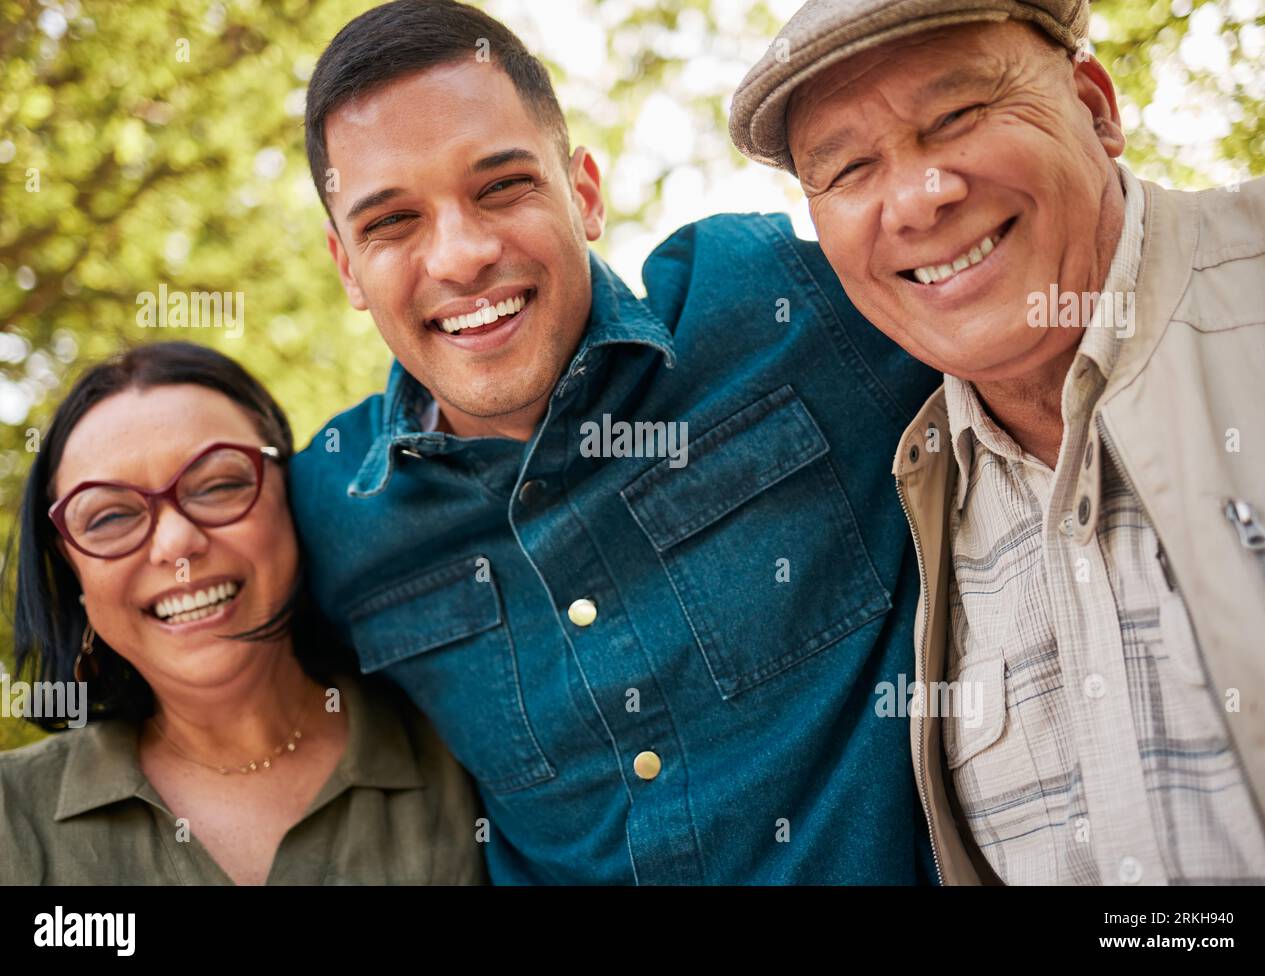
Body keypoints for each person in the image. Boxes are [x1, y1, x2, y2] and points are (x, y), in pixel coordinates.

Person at [291, 0, 940, 883]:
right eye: (391, 223)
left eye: (501, 186)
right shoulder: (330, 508)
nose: (461, 255)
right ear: (346, 268)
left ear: (584, 192)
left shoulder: (784, 307)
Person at [729, 0, 1265, 884]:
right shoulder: (912, 492)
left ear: (1097, 107)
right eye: (848, 168)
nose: (917, 199)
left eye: (958, 116)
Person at [0, 341, 485, 885]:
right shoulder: (1, 818)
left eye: (220, 484)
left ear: (293, 497)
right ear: (73, 573)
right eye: (107, 517)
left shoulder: (466, 754)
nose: (176, 543)